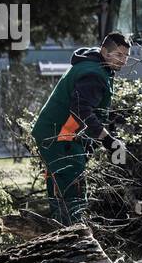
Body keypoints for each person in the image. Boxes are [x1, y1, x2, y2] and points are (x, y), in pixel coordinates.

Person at [30, 33, 129, 225]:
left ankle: (61, 235)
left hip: (57, 133)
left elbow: (93, 106)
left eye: (126, 56)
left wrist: (110, 124)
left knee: (61, 184)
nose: (123, 61)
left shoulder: (95, 66)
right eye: (118, 55)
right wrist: (109, 141)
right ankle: (72, 239)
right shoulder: (93, 73)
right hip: (60, 136)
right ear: (104, 51)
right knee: (72, 190)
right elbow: (81, 110)